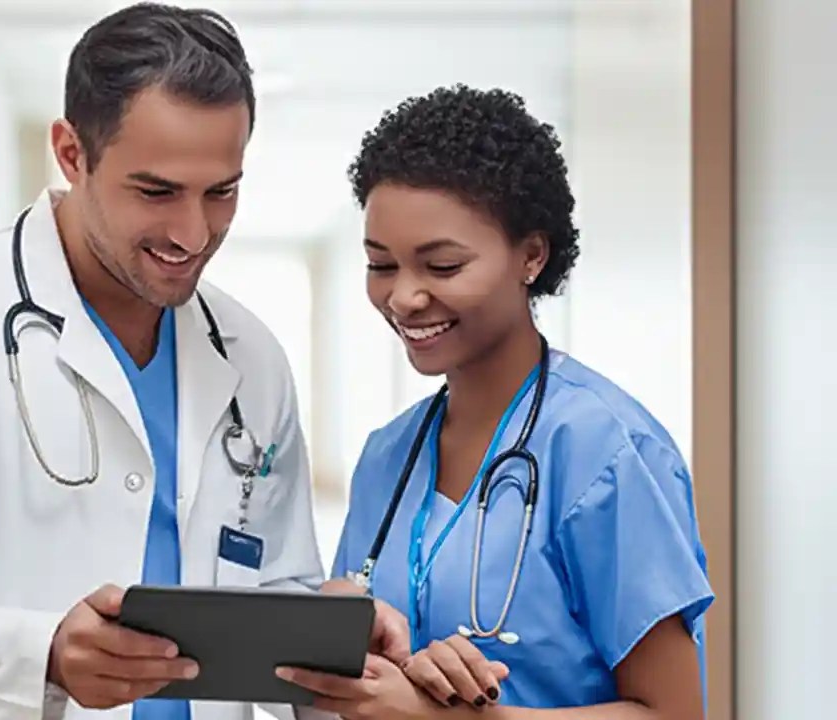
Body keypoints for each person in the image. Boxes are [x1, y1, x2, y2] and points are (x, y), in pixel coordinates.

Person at [0, 4, 406, 720]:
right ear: (71, 153)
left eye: (221, 191)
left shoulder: (251, 357)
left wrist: (329, 636)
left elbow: (274, 585)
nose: (193, 232)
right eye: (156, 191)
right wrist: (40, 653)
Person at [276, 85, 715, 719]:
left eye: (443, 267)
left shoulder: (605, 451)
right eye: (382, 265)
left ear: (531, 255)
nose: (403, 298)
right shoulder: (387, 458)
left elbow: (672, 713)